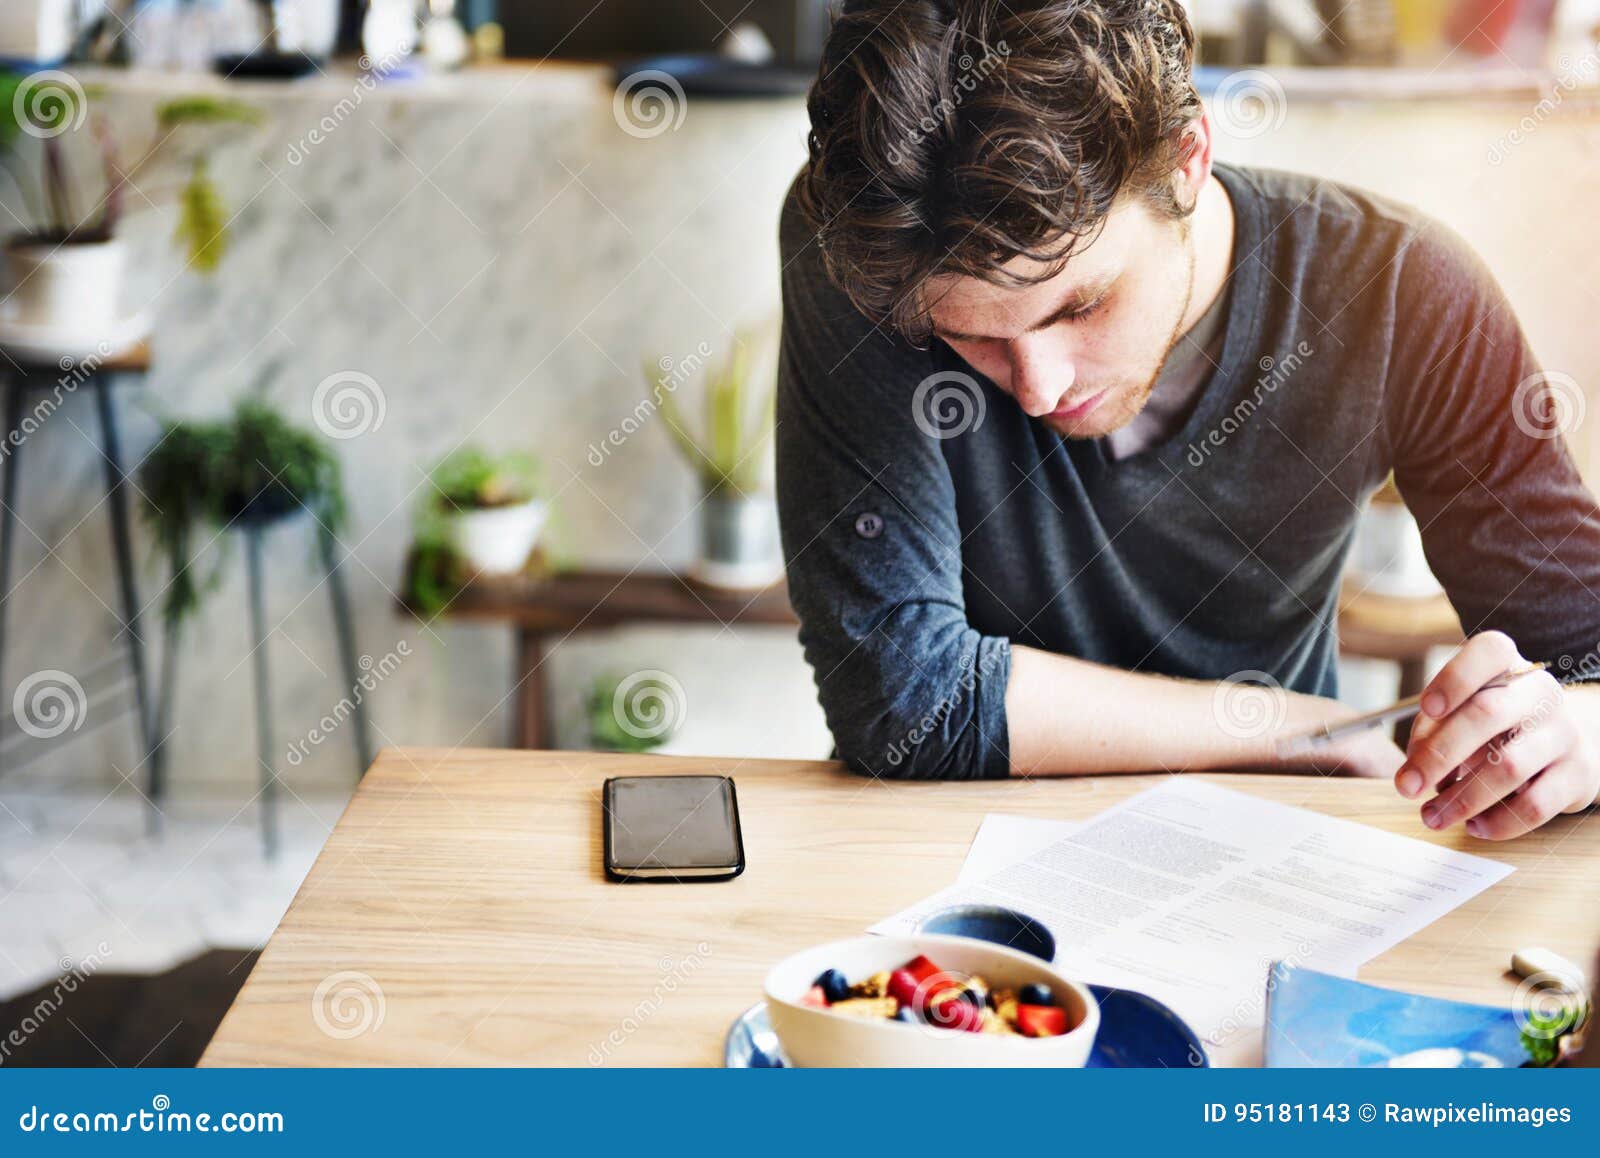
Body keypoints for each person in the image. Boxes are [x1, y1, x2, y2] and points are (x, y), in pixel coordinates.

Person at [775, 0, 1600, 838]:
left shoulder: (1399, 288)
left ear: (1186, 160)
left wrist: (1579, 734)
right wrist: (1294, 731)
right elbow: (901, 698)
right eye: (967, 336)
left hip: (1284, 848)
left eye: (1081, 307)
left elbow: (1588, 655)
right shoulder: (870, 249)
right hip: (956, 868)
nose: (1036, 389)